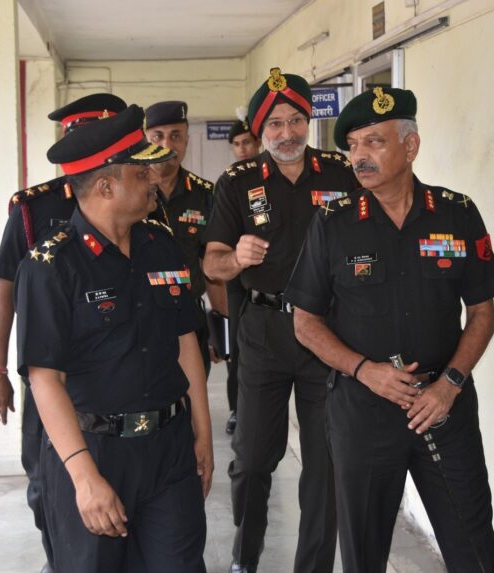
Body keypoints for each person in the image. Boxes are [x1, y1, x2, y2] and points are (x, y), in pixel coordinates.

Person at [284, 87, 494, 573]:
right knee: (363, 555)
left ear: (410, 147)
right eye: (353, 146)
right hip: (363, 410)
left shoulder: (457, 213)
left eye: (374, 142)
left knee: (476, 552)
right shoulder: (333, 223)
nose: (359, 157)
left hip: (442, 408)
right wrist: (364, 371)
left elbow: (483, 313)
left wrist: (449, 386)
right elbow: (304, 321)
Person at [15, 105, 213, 572]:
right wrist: (84, 478)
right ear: (105, 186)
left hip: (168, 450)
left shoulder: (160, 244)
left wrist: (202, 432)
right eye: (140, 171)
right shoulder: (50, 267)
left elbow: (186, 341)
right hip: (94, 450)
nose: (154, 178)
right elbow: (45, 379)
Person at [203, 67, 358, 573]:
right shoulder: (238, 181)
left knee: (326, 464)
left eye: (295, 120)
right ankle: (245, 559)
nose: (286, 133)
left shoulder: (341, 173)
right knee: (251, 459)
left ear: (309, 121)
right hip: (265, 331)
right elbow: (212, 262)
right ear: (260, 130)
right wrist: (237, 259)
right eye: (275, 125)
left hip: (328, 332)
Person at [0, 92, 126, 573]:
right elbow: (4, 291)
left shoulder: (138, 200)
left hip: (118, 373)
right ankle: (59, 556)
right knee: (47, 481)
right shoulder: (33, 209)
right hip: (50, 374)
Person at [144, 100, 226, 377]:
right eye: (158, 136)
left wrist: (220, 325)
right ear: (145, 140)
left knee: (193, 401)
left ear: (187, 141)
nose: (167, 144)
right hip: (141, 318)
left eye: (176, 136)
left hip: (189, 315)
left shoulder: (204, 194)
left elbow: (211, 264)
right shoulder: (130, 191)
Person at [221, 111, 261, 435]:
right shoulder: (232, 181)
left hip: (273, 278)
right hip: (238, 277)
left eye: (247, 142)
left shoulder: (269, 176)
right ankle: (238, 409)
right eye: (236, 144)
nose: (242, 149)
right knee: (237, 345)